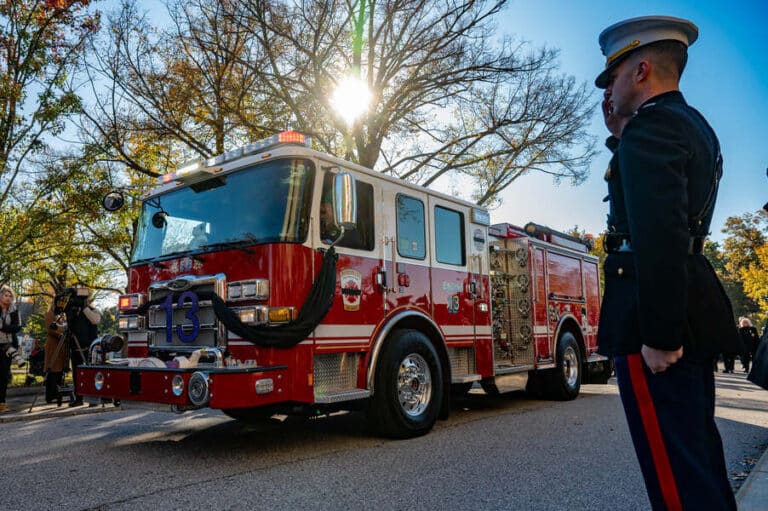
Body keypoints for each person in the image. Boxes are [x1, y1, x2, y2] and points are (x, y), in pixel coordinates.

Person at [594, 16, 741, 510]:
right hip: (687, 304)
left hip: (653, 319)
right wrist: (620, 137)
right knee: (697, 460)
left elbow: (659, 233)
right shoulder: (690, 124)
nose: (608, 91)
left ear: (639, 71)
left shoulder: (651, 131)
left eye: (611, 76)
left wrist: (659, 334)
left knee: (675, 479)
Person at [0, 285, 22, 412]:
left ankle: (2, 402)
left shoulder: (14, 310)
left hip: (8, 346)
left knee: (3, 374)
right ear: (1, 296)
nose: (8, 298)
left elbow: (17, 327)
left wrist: (3, 327)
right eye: (5, 295)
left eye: (10, 296)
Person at [44, 301, 68, 405]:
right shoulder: (49, 314)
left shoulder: (61, 316)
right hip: (53, 345)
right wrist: (61, 334)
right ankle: (50, 395)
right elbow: (50, 329)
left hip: (61, 345)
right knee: (52, 369)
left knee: (59, 371)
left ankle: (58, 394)